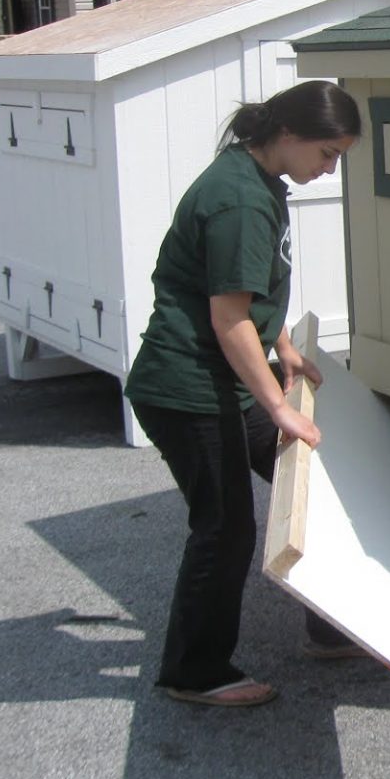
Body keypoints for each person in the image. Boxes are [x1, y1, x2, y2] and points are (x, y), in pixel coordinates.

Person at [125, 80, 363, 707]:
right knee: (225, 527)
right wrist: (279, 406)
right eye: (328, 153)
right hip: (188, 389)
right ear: (287, 136)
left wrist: (282, 345)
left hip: (222, 380)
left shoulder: (258, 181)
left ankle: (330, 624)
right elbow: (228, 319)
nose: (330, 167)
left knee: (312, 481)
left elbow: (250, 291)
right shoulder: (239, 201)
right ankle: (193, 672)